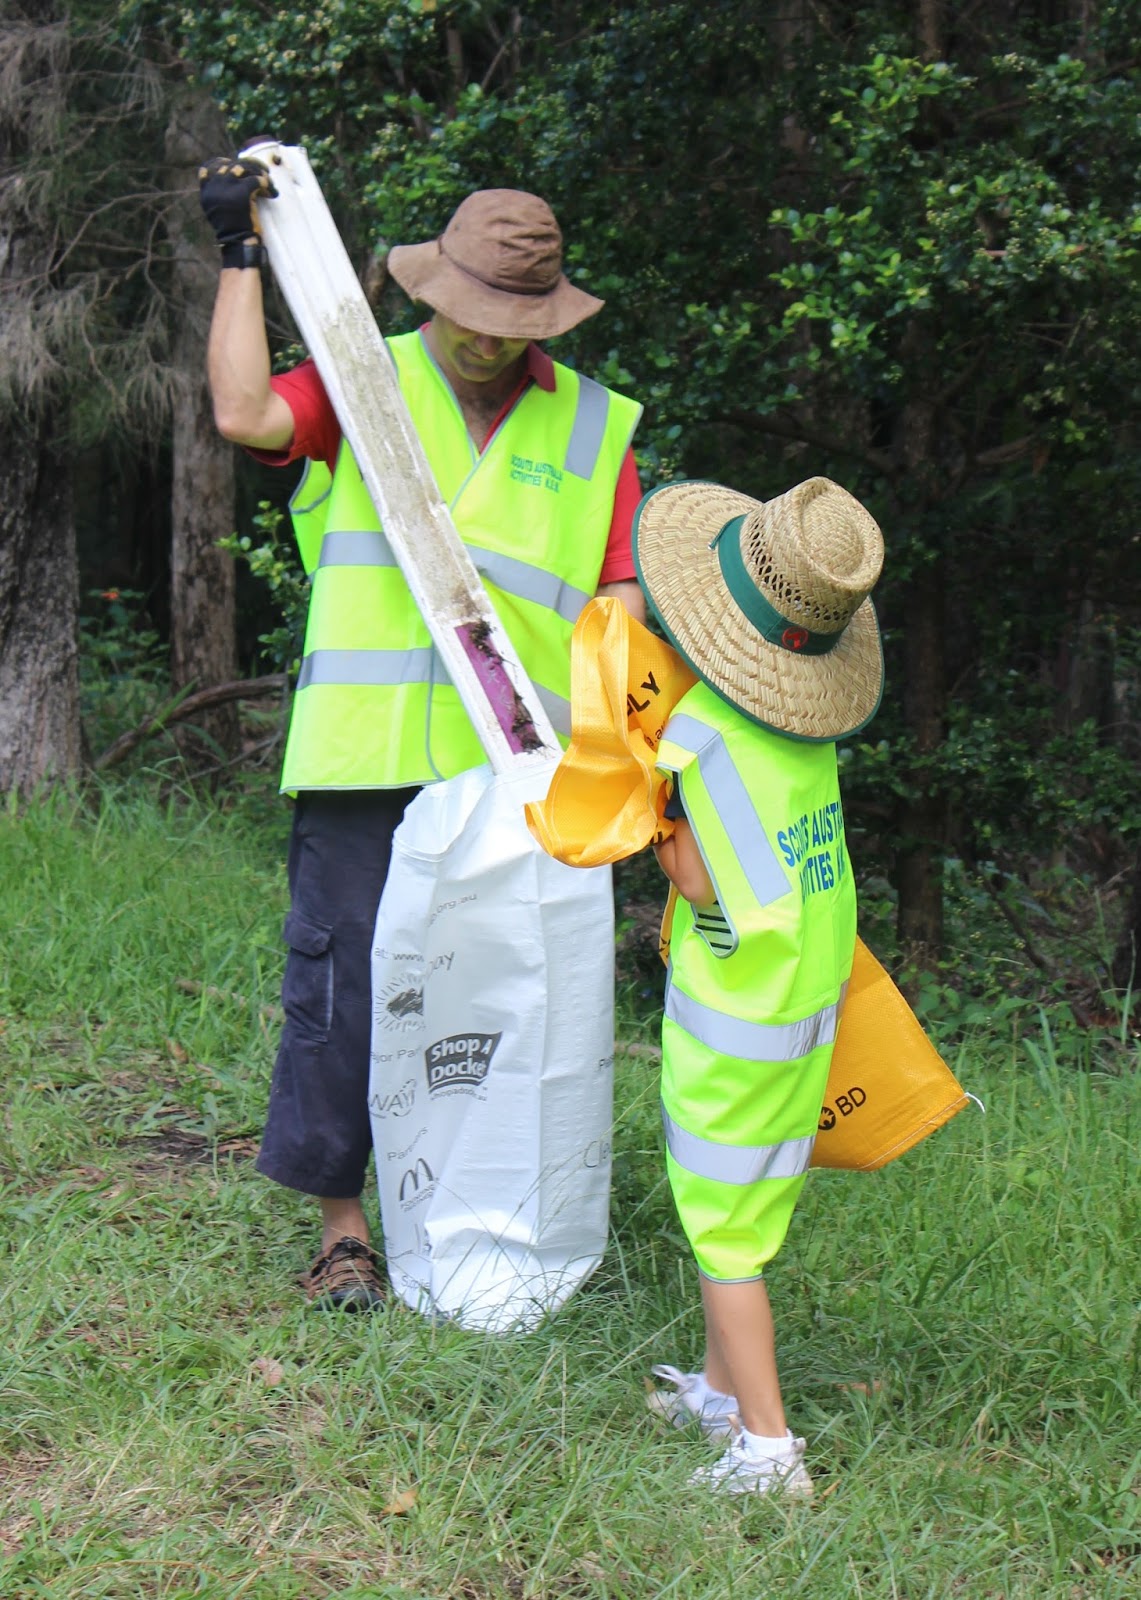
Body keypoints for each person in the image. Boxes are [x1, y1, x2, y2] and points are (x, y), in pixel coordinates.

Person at [197, 155, 644, 1310]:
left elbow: (621, 606)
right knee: (348, 990)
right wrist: (240, 257)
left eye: (511, 321)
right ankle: (346, 1231)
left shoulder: (597, 427)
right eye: (466, 313)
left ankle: (475, 1218)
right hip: (366, 755)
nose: (484, 338)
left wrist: (622, 763)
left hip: (515, 775)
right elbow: (243, 411)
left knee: (500, 999)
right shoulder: (363, 379)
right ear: (430, 288)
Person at [631, 475, 884, 1496]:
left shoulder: (697, 740)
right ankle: (718, 1389)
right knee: (744, 1204)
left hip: (731, 1024)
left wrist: (655, 821)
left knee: (722, 1233)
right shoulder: (808, 734)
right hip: (802, 1009)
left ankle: (768, 1449)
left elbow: (697, 882)